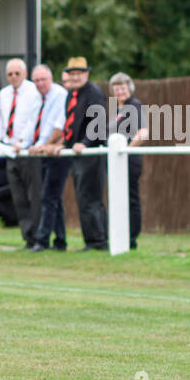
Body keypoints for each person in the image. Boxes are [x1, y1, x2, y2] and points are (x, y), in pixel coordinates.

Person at [0, 58, 43, 248]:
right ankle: (27, 237)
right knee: (18, 197)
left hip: (26, 150)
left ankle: (38, 236)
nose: (13, 77)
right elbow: (3, 120)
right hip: (9, 149)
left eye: (17, 73)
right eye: (10, 74)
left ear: (25, 74)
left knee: (34, 195)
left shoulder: (32, 91)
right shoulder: (4, 94)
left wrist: (23, 142)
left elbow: (32, 120)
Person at [61, 56, 109, 250]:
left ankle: (98, 241)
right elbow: (71, 124)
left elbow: (98, 123)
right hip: (76, 153)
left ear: (86, 74)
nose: (75, 77)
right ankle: (91, 240)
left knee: (91, 198)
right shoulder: (71, 95)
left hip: (90, 153)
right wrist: (64, 144)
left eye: (79, 73)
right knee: (83, 197)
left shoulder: (94, 93)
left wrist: (85, 143)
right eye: (72, 74)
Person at [28, 64, 70, 252]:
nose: (40, 83)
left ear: (51, 79)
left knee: (48, 196)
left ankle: (42, 240)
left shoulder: (60, 94)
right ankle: (60, 241)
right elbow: (33, 123)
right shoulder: (36, 98)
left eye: (43, 79)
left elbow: (58, 126)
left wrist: (43, 145)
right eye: (36, 80)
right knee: (54, 198)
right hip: (43, 151)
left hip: (56, 152)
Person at [109, 72, 149, 249]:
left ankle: (131, 238)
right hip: (115, 161)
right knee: (118, 198)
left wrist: (126, 151)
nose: (120, 91)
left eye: (123, 88)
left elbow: (143, 133)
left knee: (130, 198)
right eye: (116, 89)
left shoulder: (134, 105)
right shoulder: (117, 108)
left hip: (128, 160)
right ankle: (120, 237)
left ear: (129, 88)